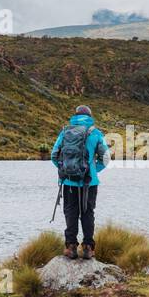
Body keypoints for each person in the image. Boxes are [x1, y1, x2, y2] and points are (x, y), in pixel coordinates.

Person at [50, 105, 110, 260]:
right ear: (90, 116)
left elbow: (54, 156)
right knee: (87, 213)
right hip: (89, 183)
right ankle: (88, 248)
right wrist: (92, 171)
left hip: (69, 182)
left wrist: (65, 170)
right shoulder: (95, 133)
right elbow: (106, 158)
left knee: (70, 212)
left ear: (75, 116)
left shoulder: (65, 132)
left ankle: (71, 247)